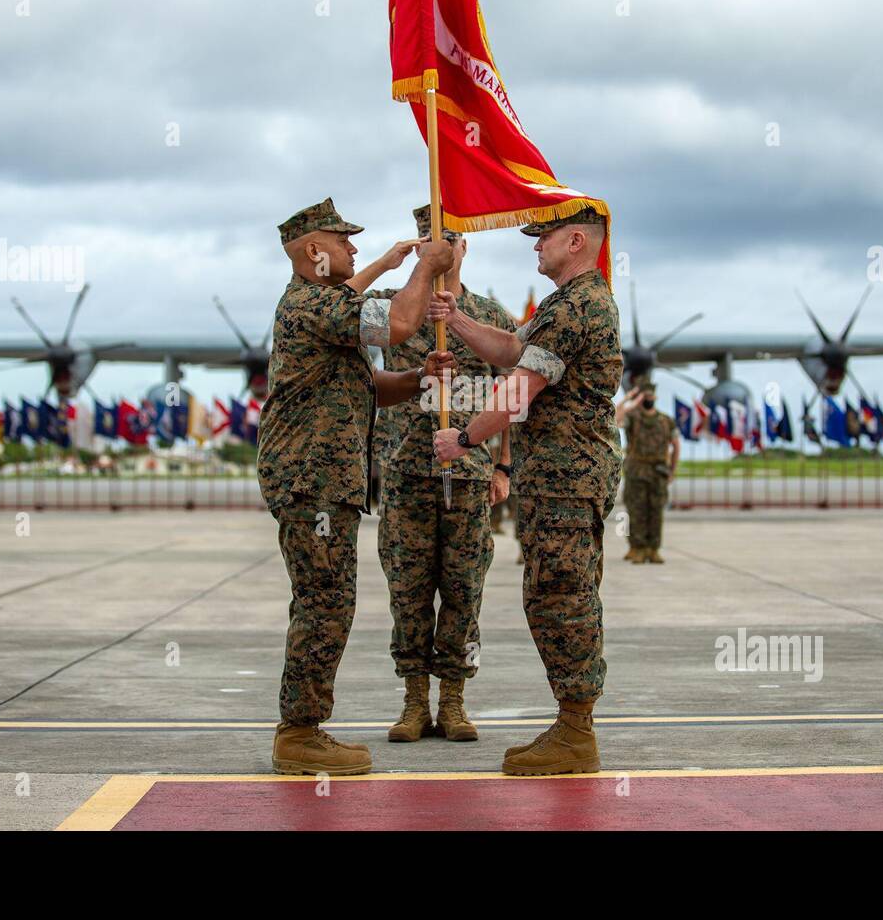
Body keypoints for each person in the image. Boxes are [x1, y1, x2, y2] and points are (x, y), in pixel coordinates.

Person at [257, 197, 454, 776]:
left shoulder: (325, 307)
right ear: (315, 252)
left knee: (328, 601)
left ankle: (303, 727)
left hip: (325, 481)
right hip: (310, 479)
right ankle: (299, 733)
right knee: (324, 603)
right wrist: (424, 267)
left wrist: (418, 379)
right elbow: (398, 325)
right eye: (344, 242)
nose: (355, 249)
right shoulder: (313, 304)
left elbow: (372, 387)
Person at [431, 205, 622, 775]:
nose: (536, 246)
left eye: (544, 238)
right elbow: (514, 350)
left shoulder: (579, 305)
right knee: (552, 593)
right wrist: (458, 320)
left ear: (577, 240)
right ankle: (571, 722)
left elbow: (518, 390)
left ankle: (575, 729)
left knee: (562, 597)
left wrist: (463, 437)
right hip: (558, 479)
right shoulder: (567, 306)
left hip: (567, 479)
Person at [367, 204, 518, 743]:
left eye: (451, 238)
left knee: (464, 589)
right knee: (407, 589)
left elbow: (513, 395)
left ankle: (453, 699)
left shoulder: (489, 314)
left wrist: (503, 466)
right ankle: (414, 702)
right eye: (431, 238)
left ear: (464, 247)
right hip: (406, 472)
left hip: (471, 475)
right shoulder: (395, 311)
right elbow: (359, 354)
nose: (444, 247)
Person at [615, 379, 680, 563]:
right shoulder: (633, 417)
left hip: (658, 471)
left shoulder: (666, 421)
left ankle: (653, 548)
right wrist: (628, 399)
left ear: (656, 397)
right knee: (635, 511)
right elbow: (616, 418)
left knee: (656, 511)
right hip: (637, 470)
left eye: (651, 395)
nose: (648, 399)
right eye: (645, 396)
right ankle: (637, 547)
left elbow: (676, 445)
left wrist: (672, 470)